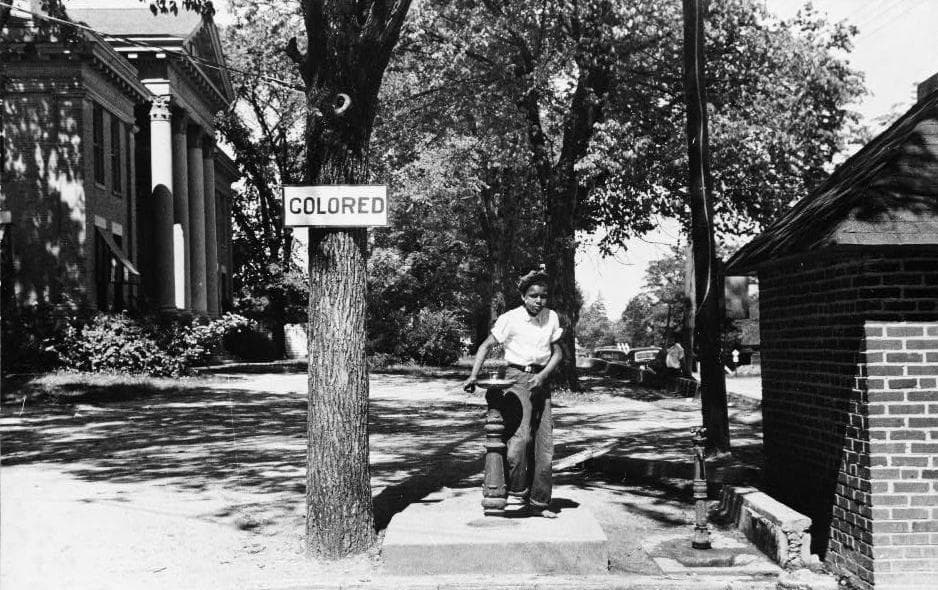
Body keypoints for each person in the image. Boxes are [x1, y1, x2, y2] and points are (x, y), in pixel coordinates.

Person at [463, 269, 563, 518]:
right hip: (516, 378)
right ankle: (513, 489)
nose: (539, 301)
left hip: (542, 380)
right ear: (523, 296)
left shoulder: (551, 318)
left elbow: (558, 353)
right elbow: (486, 345)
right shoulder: (510, 318)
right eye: (533, 296)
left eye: (543, 296)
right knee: (519, 443)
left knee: (544, 446)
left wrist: (542, 376)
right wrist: (473, 375)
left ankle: (539, 502)